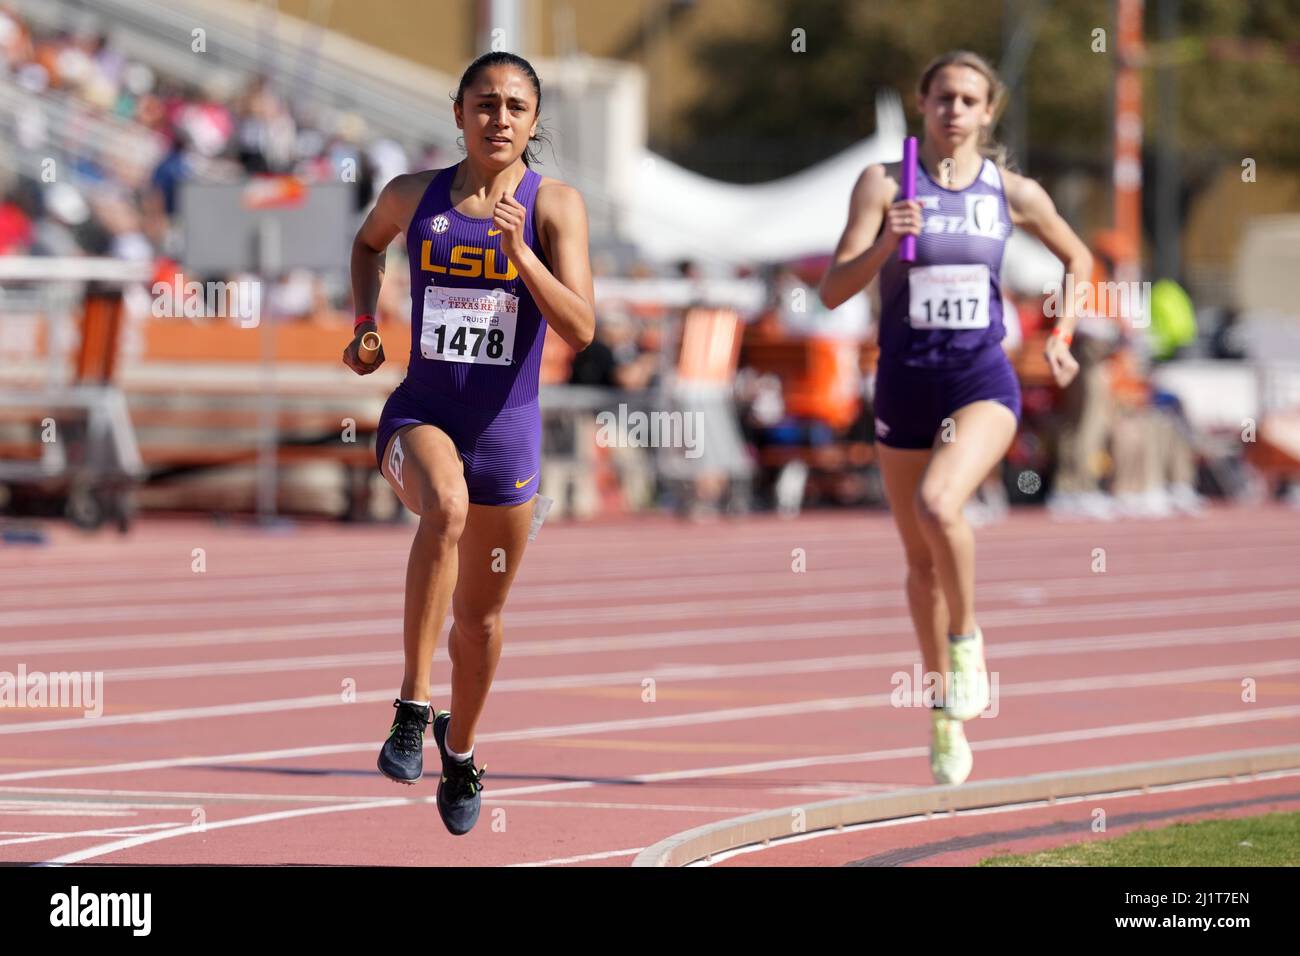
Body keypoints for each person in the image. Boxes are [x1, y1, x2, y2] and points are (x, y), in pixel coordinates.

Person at [342, 52, 595, 835]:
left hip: (508, 439)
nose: (499, 119)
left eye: (516, 108)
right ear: (458, 114)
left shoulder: (552, 206)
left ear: (532, 123)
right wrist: (364, 326)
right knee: (443, 507)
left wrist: (523, 258)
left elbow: (583, 328)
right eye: (484, 104)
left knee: (480, 622)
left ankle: (463, 748)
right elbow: (366, 245)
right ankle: (413, 709)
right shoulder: (414, 196)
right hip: (421, 413)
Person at [819, 50, 1087, 785]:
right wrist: (885, 240)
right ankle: (944, 711)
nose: (955, 112)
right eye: (943, 98)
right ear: (922, 103)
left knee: (942, 504)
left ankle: (967, 642)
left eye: (970, 100)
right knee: (917, 563)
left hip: (980, 380)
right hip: (905, 383)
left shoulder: (1010, 190)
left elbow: (1078, 257)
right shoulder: (882, 184)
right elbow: (833, 291)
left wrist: (1060, 337)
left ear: (988, 112)